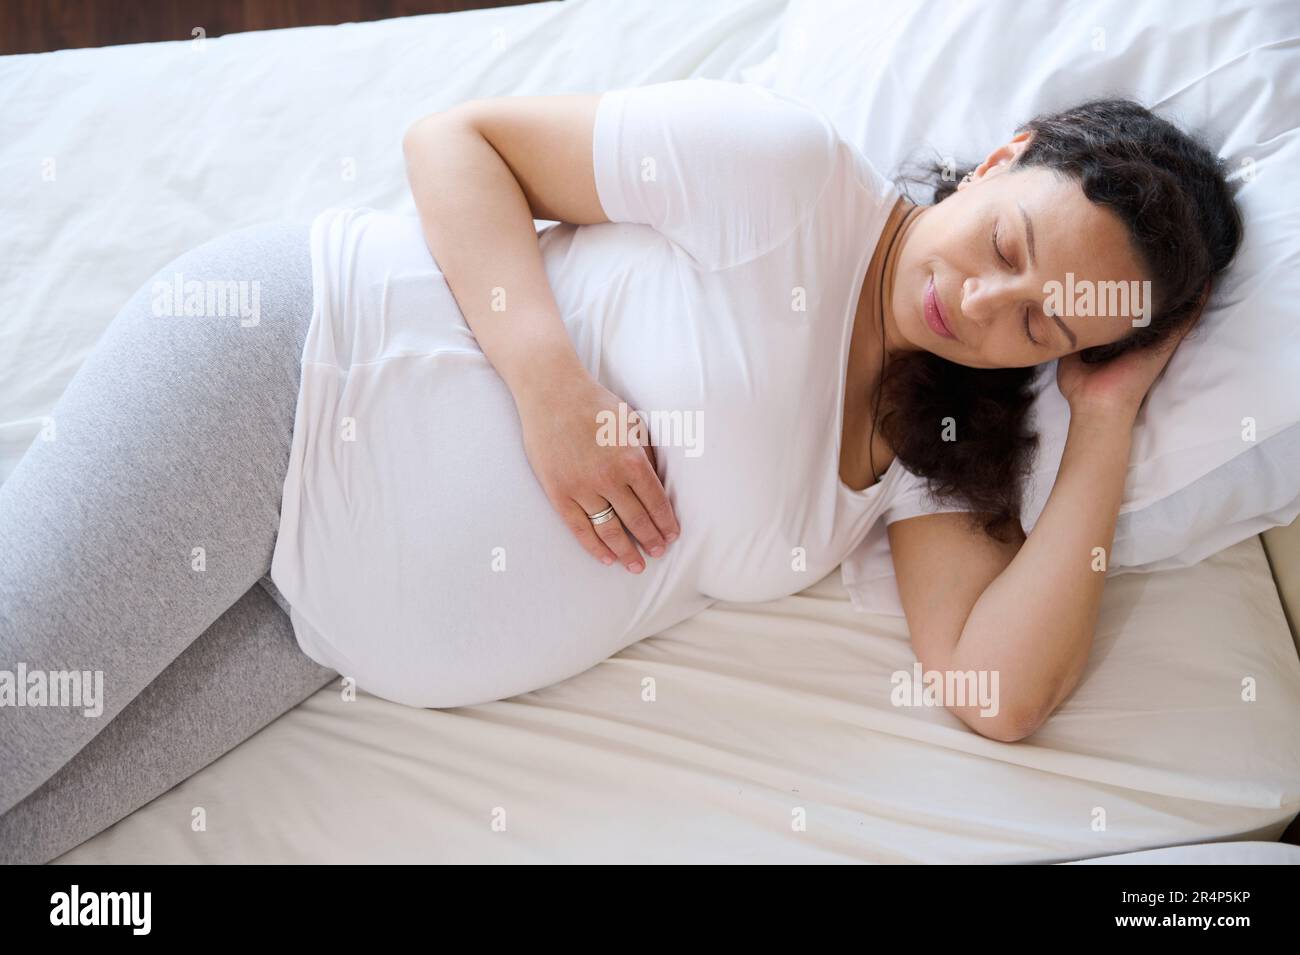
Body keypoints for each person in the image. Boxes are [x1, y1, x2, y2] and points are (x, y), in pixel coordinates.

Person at [0, 79, 1242, 862]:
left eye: (1043, 322)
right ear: (999, 157)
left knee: (38, 828)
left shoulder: (932, 445)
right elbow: (459, 141)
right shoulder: (791, 178)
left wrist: (1106, 420)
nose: (980, 300)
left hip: (309, 628)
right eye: (1007, 243)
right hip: (290, 379)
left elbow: (994, 686)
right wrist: (552, 387)